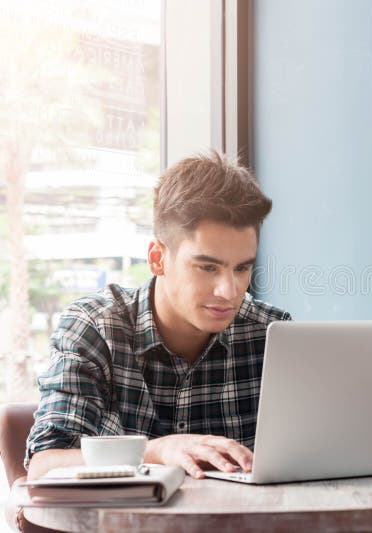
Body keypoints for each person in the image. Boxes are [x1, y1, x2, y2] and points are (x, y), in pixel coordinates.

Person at [25, 152, 291, 481]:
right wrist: (157, 451)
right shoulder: (95, 329)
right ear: (157, 258)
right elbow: (44, 465)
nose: (229, 290)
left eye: (242, 267)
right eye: (207, 267)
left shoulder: (273, 335)